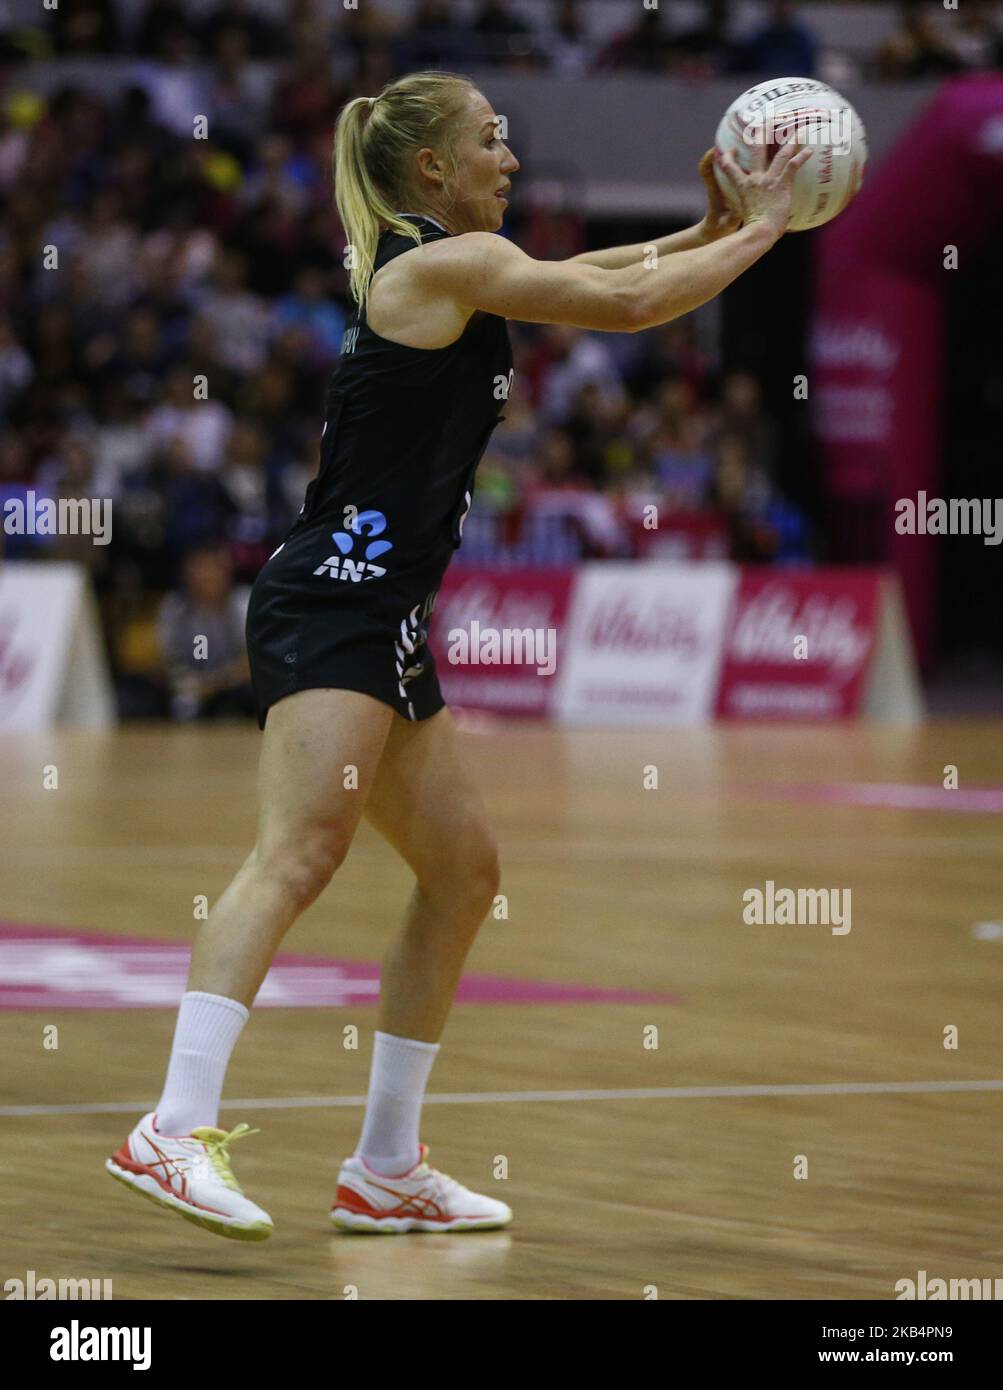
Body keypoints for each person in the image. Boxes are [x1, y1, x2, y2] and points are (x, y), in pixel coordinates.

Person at [106, 70, 810, 1239]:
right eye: (492, 138)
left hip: (381, 613)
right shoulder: (430, 264)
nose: (513, 157)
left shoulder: (463, 263)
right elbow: (628, 309)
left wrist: (716, 229)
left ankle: (385, 1166)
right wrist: (767, 232)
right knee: (299, 851)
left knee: (463, 874)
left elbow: (594, 278)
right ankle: (171, 1128)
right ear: (430, 169)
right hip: (332, 596)